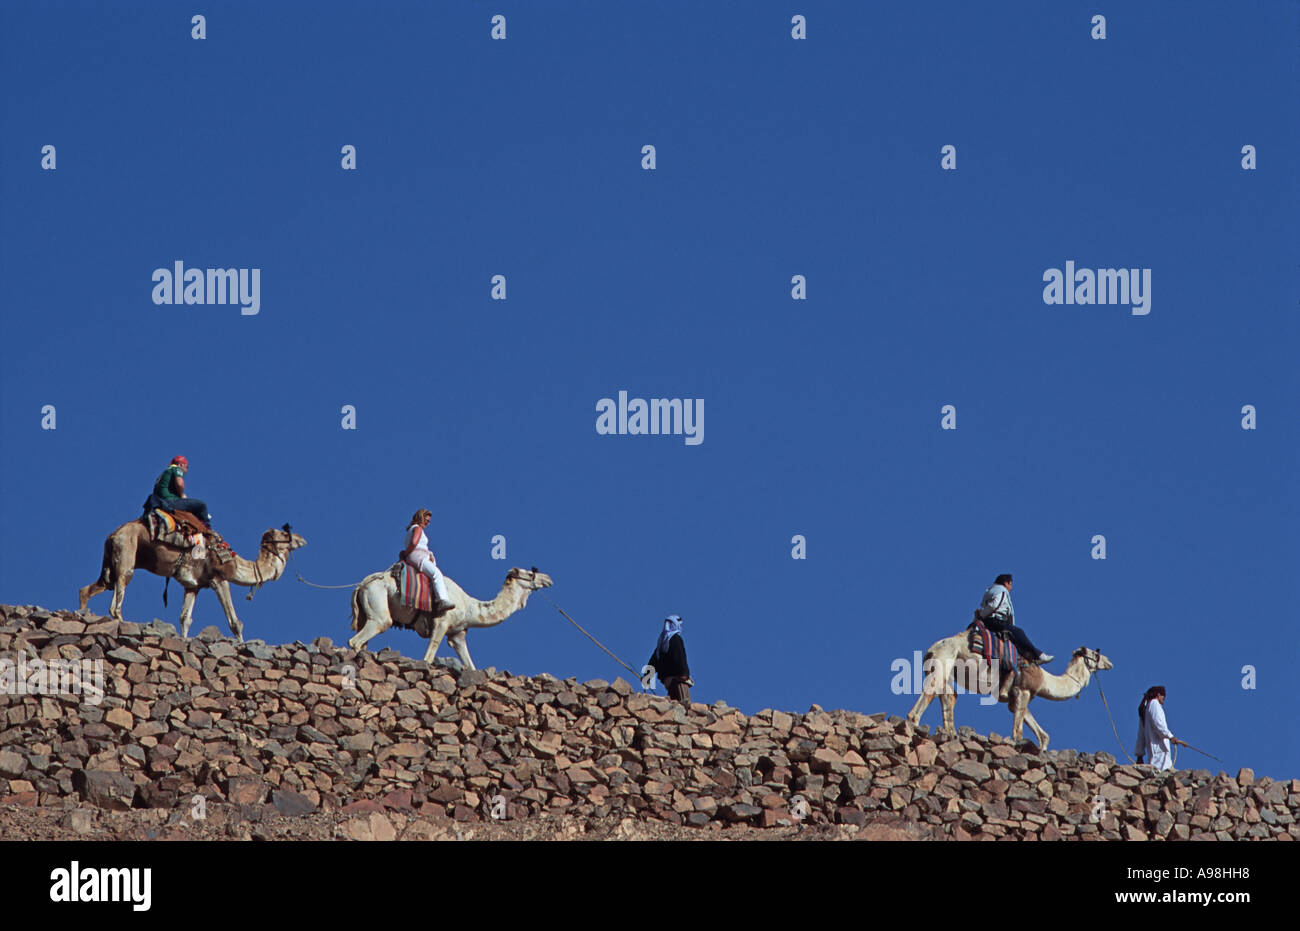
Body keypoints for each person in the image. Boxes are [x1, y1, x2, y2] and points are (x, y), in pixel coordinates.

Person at [975, 573, 1053, 664]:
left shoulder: (990, 591)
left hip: (989, 620)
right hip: (994, 621)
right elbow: (995, 605)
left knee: (1013, 635)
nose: (1011, 588)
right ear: (1006, 583)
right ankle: (1038, 655)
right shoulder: (1002, 591)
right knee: (1019, 632)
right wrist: (982, 614)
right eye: (1011, 584)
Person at [400, 509, 455, 613]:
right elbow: (414, 543)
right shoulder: (418, 528)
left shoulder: (410, 530)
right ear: (420, 517)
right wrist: (407, 554)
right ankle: (442, 600)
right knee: (436, 574)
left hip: (414, 555)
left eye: (429, 521)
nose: (427, 523)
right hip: (417, 555)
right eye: (426, 520)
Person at [143, 455, 212, 527]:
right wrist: (182, 494)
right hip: (169, 502)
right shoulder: (176, 469)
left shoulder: (164, 473)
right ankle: (207, 529)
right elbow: (180, 483)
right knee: (201, 505)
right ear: (181, 464)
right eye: (187, 467)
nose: (186, 470)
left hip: (159, 503)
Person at [1135, 685, 1185, 770]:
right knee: (1163, 772)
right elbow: (1159, 724)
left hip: (1154, 753)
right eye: (1163, 696)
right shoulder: (1154, 704)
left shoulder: (1145, 710)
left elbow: (1141, 735)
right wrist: (1170, 736)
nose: (1163, 699)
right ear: (1158, 695)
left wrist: (1139, 755)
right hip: (1160, 752)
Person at [646, 615, 692, 704]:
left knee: (674, 705)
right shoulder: (676, 639)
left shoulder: (662, 643)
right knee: (684, 706)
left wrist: (646, 678)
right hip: (679, 680)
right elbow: (680, 658)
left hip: (669, 683)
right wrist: (684, 674)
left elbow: (653, 662)